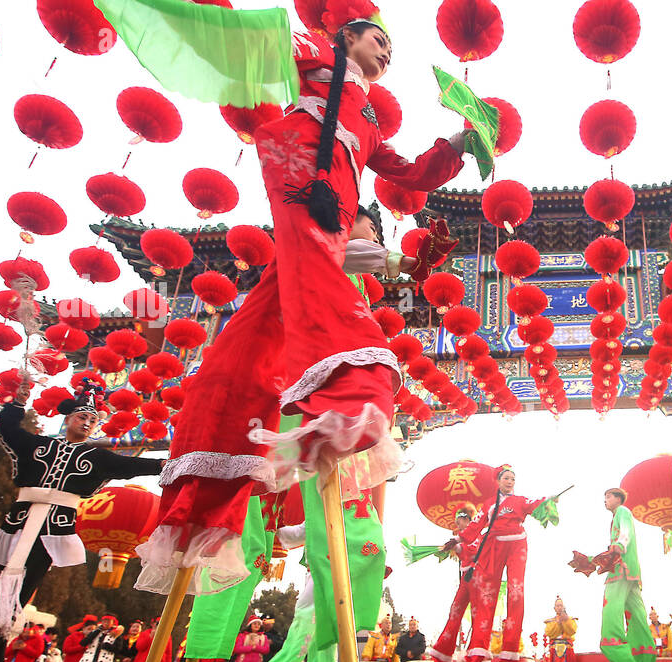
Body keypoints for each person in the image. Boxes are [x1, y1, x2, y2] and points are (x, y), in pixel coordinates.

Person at [127, 9, 467, 597]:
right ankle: (349, 393)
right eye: (378, 40)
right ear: (349, 36)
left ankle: (211, 466)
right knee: (319, 276)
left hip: (333, 202)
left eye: (390, 49)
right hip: (300, 172)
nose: (386, 53)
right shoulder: (316, 53)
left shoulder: (369, 120)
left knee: (260, 326)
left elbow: (408, 172)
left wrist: (462, 140)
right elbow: (261, 50)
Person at [0, 379, 163, 662]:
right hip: (20, 519)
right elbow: (9, 431)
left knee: (27, 581)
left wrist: (175, 462)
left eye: (92, 420)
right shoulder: (38, 445)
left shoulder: (97, 458)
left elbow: (134, 467)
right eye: (82, 417)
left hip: (54, 528)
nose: (87, 423)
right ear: (67, 419)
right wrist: (17, 403)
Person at [453, 466, 556, 662]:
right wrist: (459, 539)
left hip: (517, 545)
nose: (510, 482)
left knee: (516, 593)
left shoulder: (520, 500)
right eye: (506, 478)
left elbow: (533, 505)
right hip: (494, 546)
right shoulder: (489, 504)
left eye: (513, 479)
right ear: (498, 481)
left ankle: (510, 656)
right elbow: (475, 526)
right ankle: (479, 652)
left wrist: (548, 501)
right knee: (488, 597)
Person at [590, 488, 656, 662]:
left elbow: (625, 532)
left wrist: (619, 544)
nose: (605, 500)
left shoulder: (622, 512)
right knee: (638, 620)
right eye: (605, 497)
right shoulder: (616, 516)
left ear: (618, 498)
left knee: (611, 619)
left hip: (621, 571)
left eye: (608, 496)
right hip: (631, 573)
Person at [428, 506, 481, 662]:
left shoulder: (477, 535)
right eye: (458, 525)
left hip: (477, 578)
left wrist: (457, 547)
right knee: (455, 611)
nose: (459, 527)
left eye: (461, 523)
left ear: (467, 520)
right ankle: (444, 651)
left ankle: (477, 652)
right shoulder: (462, 538)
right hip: (465, 579)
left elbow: (473, 551)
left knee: (477, 615)